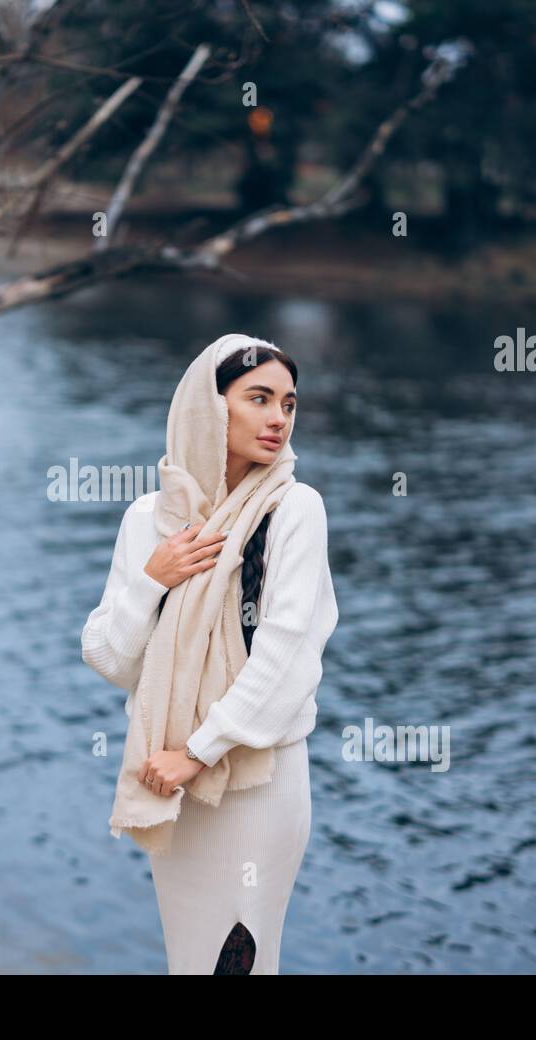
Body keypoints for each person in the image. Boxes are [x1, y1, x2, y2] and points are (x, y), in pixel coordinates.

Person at [81, 332, 338, 974]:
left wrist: (198, 751)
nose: (278, 418)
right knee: (193, 961)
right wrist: (153, 580)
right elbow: (111, 659)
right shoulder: (151, 519)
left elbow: (287, 657)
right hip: (173, 784)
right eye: (258, 398)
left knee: (243, 959)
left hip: (256, 779)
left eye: (288, 403)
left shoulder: (294, 509)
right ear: (211, 406)